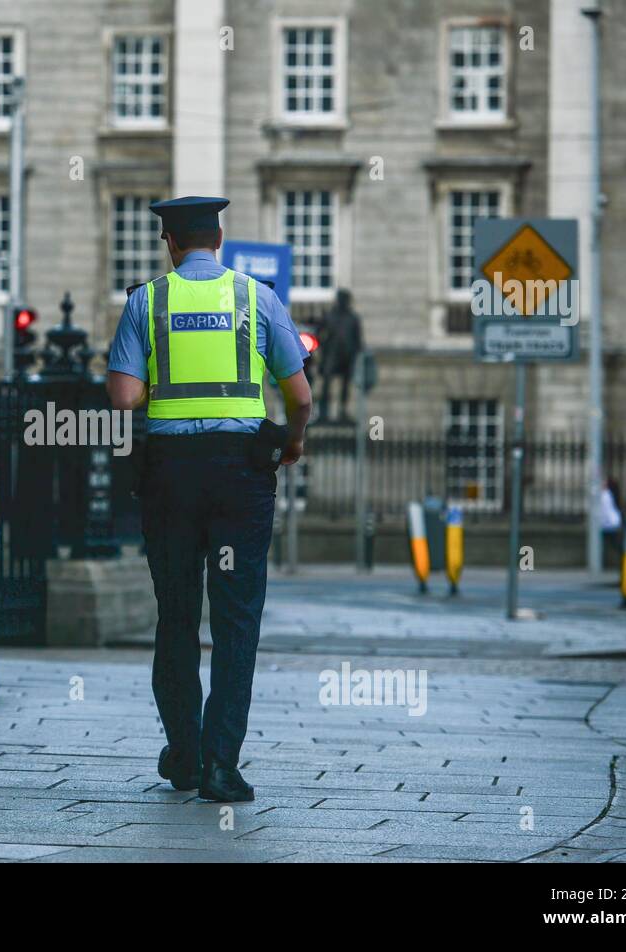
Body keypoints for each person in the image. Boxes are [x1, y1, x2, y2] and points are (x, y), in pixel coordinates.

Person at [106, 196, 314, 802]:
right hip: (241, 475)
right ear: (219, 236)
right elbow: (299, 397)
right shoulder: (256, 298)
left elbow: (123, 400)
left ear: (168, 242)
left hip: (171, 475)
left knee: (176, 617)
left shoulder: (148, 301)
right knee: (237, 618)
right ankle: (222, 765)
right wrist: (292, 443)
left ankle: (186, 755)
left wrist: (158, 384)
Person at [316, 288, 363, 423]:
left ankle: (342, 412)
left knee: (345, 385)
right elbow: (318, 335)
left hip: (347, 356)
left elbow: (358, 340)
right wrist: (324, 346)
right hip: (331, 356)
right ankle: (323, 412)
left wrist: (356, 354)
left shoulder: (353, 318)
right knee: (326, 384)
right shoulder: (329, 316)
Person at [600, 477, 623, 567]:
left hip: (608, 524)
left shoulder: (605, 495)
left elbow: (605, 511)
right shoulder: (609, 494)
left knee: (615, 544)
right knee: (614, 544)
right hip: (611, 523)